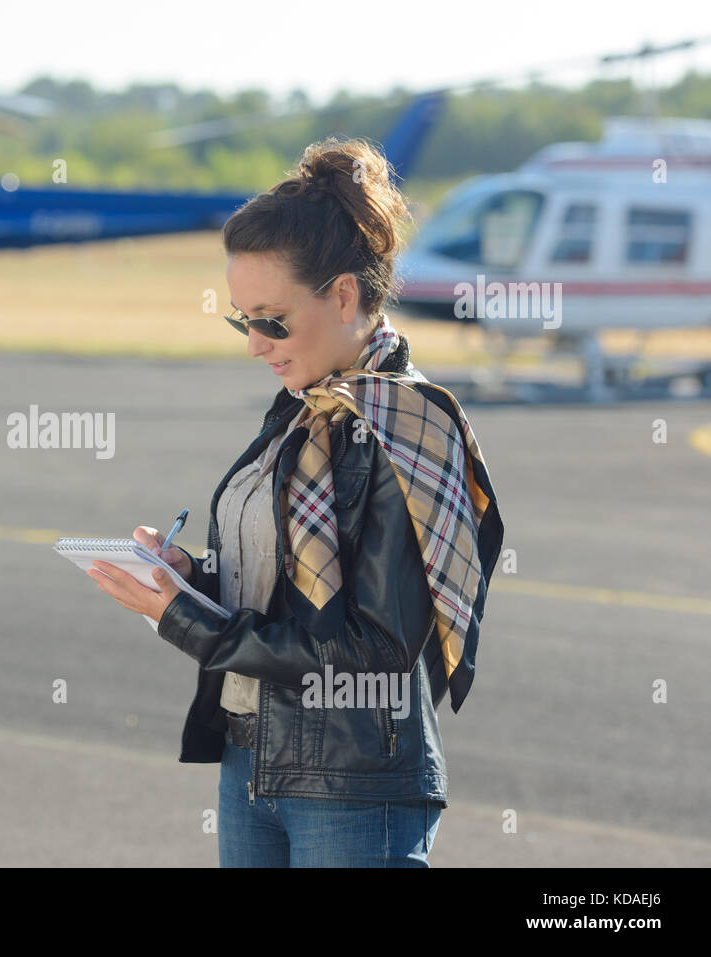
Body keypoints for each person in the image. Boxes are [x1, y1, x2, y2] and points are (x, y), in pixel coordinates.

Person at [86, 137, 504, 867]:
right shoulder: (307, 404)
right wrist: (190, 575)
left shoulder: (404, 427)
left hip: (353, 788)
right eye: (241, 319)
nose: (254, 344)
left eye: (271, 319)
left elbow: (370, 655)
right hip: (252, 762)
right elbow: (292, 590)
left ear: (343, 294)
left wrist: (184, 621)